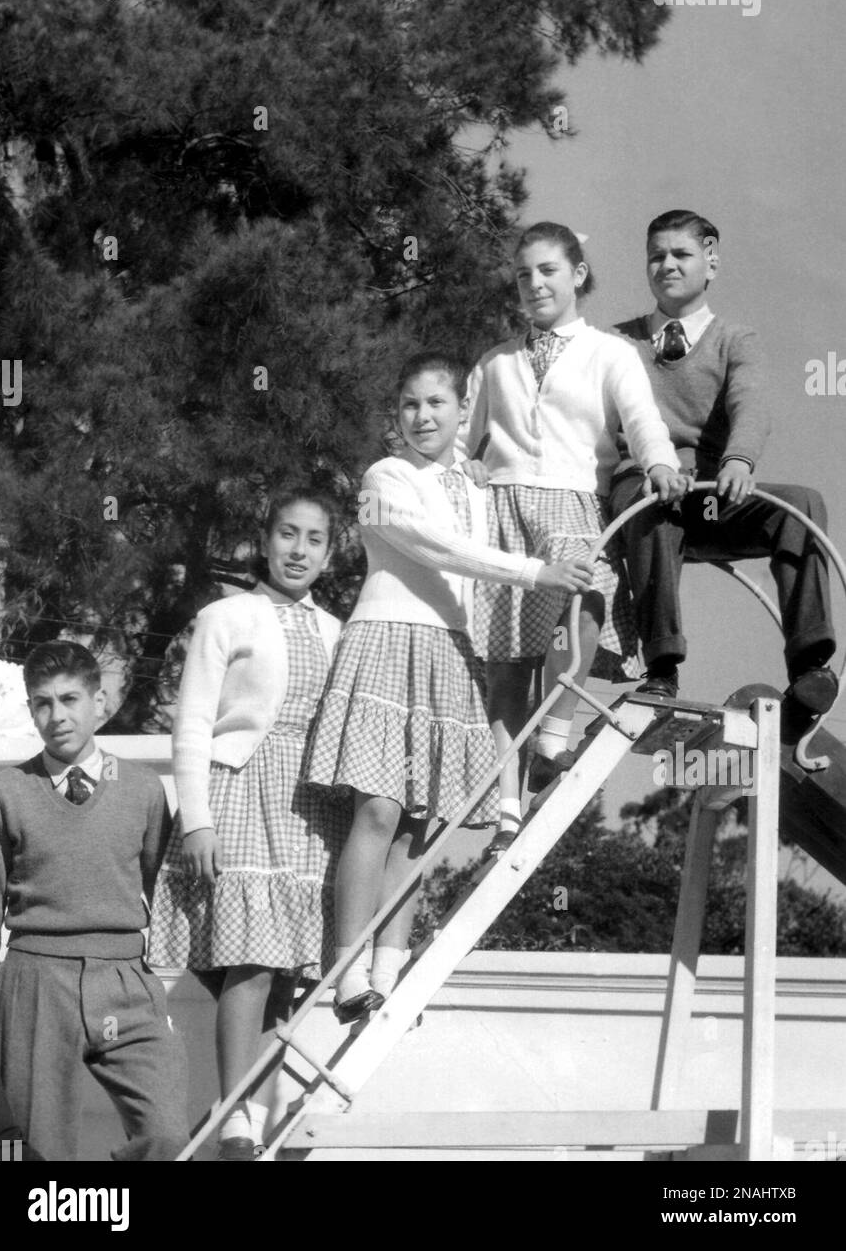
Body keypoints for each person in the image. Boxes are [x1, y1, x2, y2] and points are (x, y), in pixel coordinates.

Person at [304, 350, 596, 1022]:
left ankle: (388, 969)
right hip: (385, 641)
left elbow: (530, 508)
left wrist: (569, 557)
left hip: (449, 652)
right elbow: (431, 544)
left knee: (419, 827)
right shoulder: (384, 476)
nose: (421, 416)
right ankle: (345, 971)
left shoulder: (476, 485)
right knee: (376, 811)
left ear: (464, 410)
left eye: (436, 402)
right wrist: (533, 572)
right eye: (409, 404)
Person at [456, 223, 683, 847]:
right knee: (506, 663)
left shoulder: (609, 353)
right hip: (499, 512)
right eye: (524, 274)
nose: (535, 285)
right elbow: (453, 442)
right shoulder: (495, 362)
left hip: (573, 504)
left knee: (585, 595)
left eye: (549, 270)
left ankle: (552, 739)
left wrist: (660, 462)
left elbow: (641, 420)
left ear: (578, 274)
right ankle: (508, 807)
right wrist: (465, 467)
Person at [147, 489, 348, 1161]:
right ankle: (236, 1124)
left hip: (310, 805)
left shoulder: (337, 630)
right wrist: (196, 817)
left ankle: (246, 1110)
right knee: (253, 960)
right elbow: (194, 719)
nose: (298, 551)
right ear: (265, 541)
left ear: (329, 551)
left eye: (314, 539)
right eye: (287, 534)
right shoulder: (226, 615)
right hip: (241, 786)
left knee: (286, 976)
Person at [609, 209, 837, 724]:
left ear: (710, 262)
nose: (667, 265)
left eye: (681, 254)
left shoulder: (735, 340)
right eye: (656, 256)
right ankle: (661, 668)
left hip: (712, 496)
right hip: (646, 492)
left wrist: (738, 458)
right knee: (651, 504)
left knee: (801, 506)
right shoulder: (618, 343)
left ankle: (809, 664)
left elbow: (749, 403)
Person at [0, 640, 189, 1162]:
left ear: (99, 703)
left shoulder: (141, 788)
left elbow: (164, 894)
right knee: (29, 1152)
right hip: (34, 983)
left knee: (165, 1134)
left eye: (70, 699)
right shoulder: (7, 791)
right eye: (43, 703)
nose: (57, 716)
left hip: (124, 980)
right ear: (31, 711)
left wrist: (158, 986)